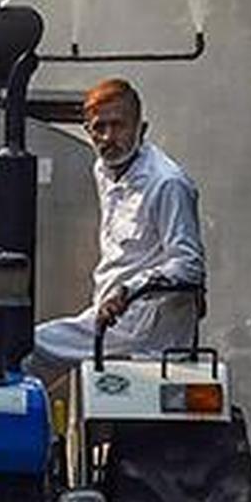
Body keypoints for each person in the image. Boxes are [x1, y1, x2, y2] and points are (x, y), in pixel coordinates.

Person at [33, 78, 205, 375]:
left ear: (142, 128)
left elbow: (189, 265)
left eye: (118, 125)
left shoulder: (167, 183)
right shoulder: (104, 169)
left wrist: (128, 291)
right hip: (107, 322)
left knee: (22, 350)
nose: (109, 137)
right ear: (88, 131)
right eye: (99, 127)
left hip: (144, 331)